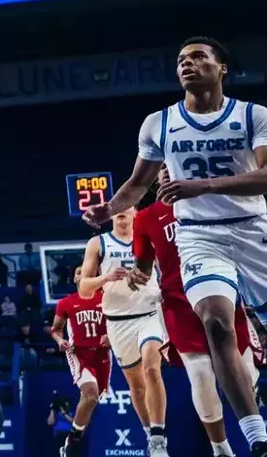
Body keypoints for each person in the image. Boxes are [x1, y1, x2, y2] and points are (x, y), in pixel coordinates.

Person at [87, 36, 267, 455]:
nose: (188, 64)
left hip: (254, 227)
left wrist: (199, 185)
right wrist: (108, 208)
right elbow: (138, 183)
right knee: (217, 324)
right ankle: (256, 438)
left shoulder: (253, 115)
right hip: (200, 235)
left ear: (221, 68)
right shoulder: (159, 122)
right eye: (182, 60)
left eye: (199, 57)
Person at [131, 182, 259, 457]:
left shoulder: (215, 200)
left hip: (224, 295)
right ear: (156, 179)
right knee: (200, 375)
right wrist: (137, 274)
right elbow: (142, 263)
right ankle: (221, 449)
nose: (168, 174)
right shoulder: (146, 217)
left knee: (246, 373)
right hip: (179, 304)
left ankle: (255, 426)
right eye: (162, 170)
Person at [78, 207, 167, 455]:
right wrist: (105, 278)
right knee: (137, 387)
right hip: (118, 321)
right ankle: (150, 434)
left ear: (135, 213)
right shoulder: (98, 243)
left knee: (152, 367)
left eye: (125, 207)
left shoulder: (149, 236)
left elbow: (168, 269)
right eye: (115, 208)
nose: (120, 211)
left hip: (150, 314)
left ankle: (160, 438)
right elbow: (84, 289)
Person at [50, 271, 109, 457]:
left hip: (102, 354)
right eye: (79, 272)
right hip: (79, 353)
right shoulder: (66, 302)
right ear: (75, 279)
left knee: (91, 401)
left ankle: (71, 440)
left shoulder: (107, 298)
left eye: (88, 272)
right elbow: (56, 329)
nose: (83, 274)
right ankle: (73, 440)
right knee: (90, 396)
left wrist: (112, 334)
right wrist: (60, 341)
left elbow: (118, 323)